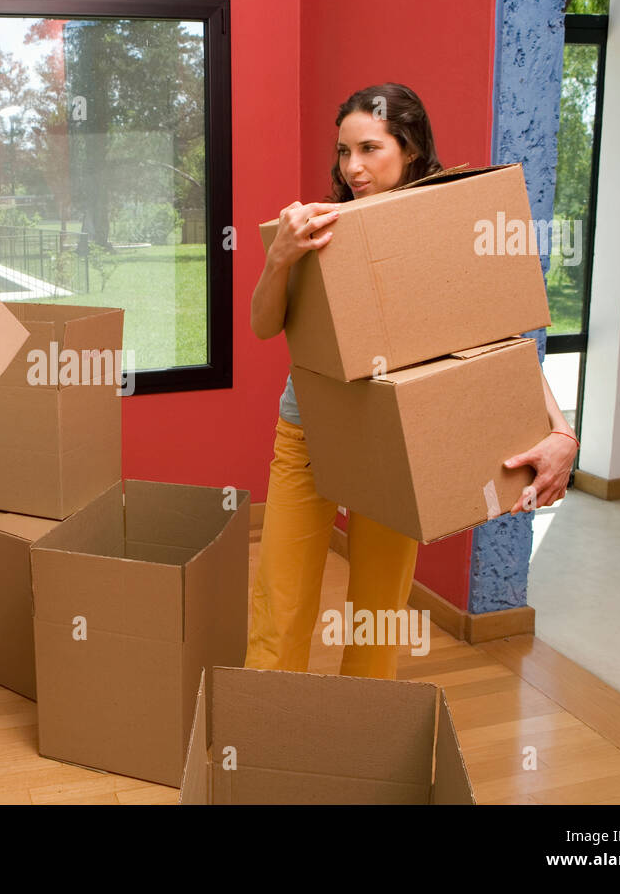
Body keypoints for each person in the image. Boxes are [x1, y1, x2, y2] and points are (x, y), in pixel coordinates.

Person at [245, 82, 578, 680]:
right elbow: (264, 326)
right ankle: (264, 741)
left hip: (399, 434)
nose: (352, 168)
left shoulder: (447, 226)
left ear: (412, 149)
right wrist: (279, 259)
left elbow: (499, 335)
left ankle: (359, 744)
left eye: (369, 149)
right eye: (344, 152)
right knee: (282, 600)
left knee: (379, 608)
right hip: (309, 432)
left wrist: (562, 430)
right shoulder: (319, 228)